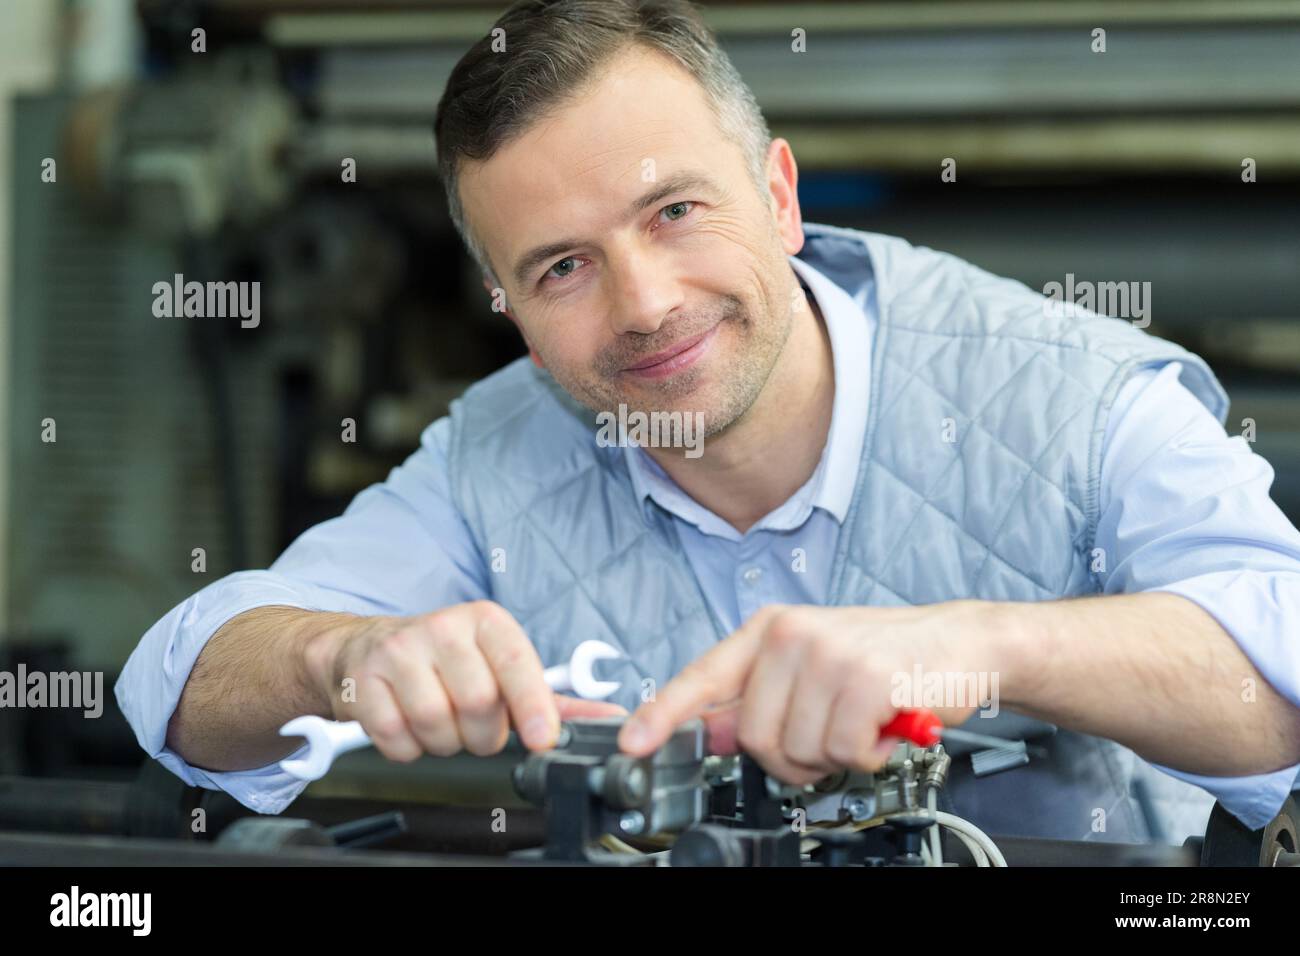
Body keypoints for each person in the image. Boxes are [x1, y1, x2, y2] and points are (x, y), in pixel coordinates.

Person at [118, 0, 1300, 842]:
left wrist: (979, 647)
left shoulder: (1074, 395)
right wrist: (343, 654)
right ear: (508, 307)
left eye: (676, 209)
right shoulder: (496, 455)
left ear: (779, 195)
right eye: (563, 266)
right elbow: (180, 684)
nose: (647, 304)